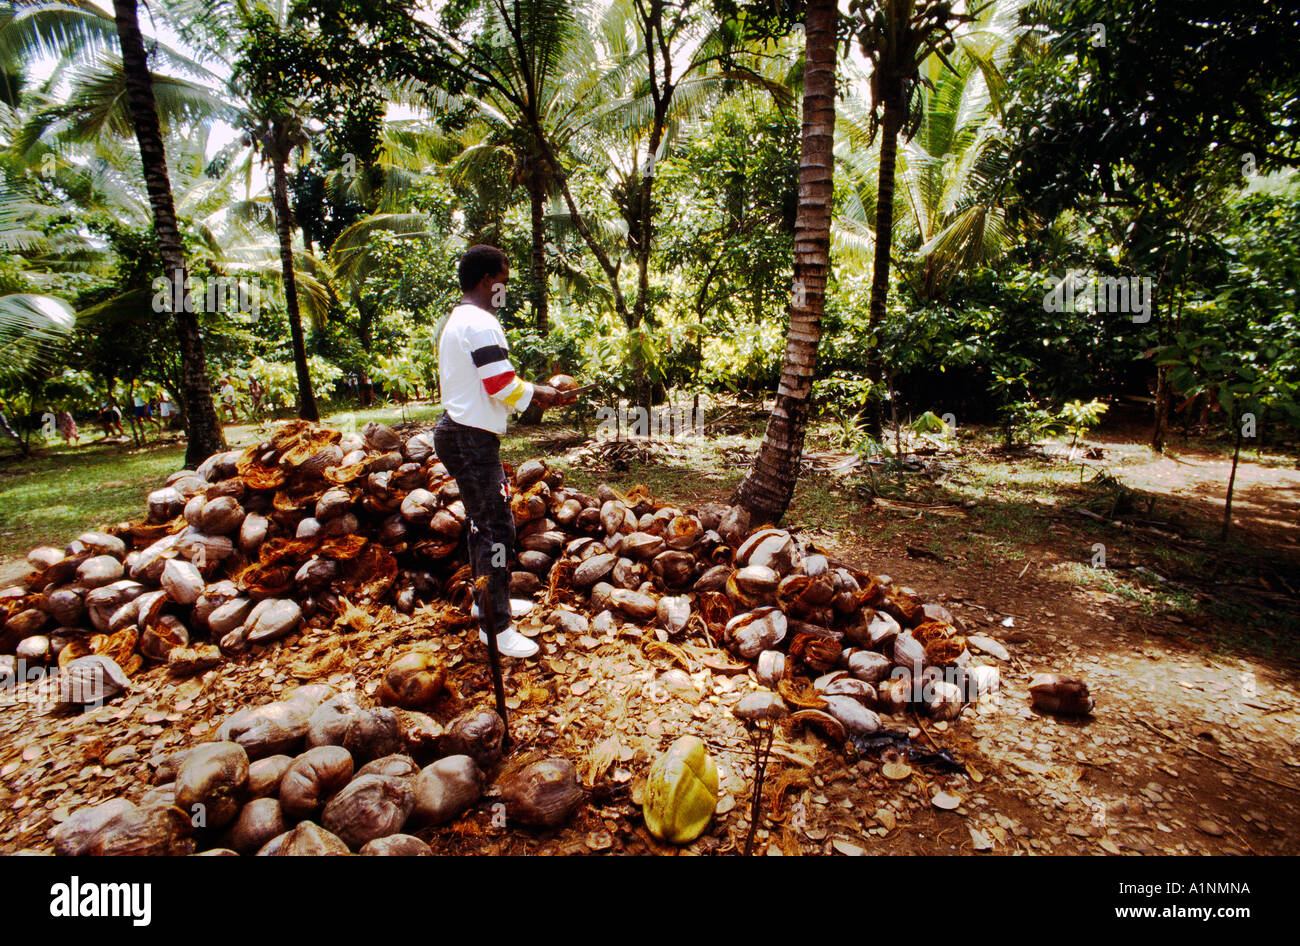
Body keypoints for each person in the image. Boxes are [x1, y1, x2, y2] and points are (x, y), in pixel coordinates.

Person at [433, 245, 575, 659]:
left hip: (462, 433)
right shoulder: (481, 323)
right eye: (503, 283)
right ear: (485, 280)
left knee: (487, 526)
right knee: (496, 529)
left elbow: (493, 382)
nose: (504, 292)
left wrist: (535, 393)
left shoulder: (461, 319)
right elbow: (501, 386)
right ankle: (495, 627)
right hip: (469, 438)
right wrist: (541, 394)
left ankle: (491, 604)